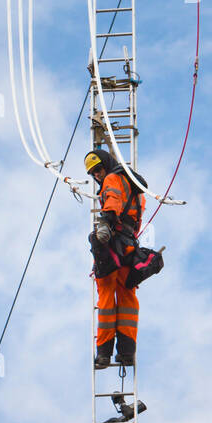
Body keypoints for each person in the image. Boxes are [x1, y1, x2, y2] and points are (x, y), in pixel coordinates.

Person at [85, 148, 145, 369]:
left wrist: (106, 222)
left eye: (98, 169)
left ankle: (104, 354)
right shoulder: (134, 186)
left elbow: (112, 200)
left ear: (107, 164)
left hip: (112, 247)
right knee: (128, 299)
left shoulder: (112, 178)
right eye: (93, 174)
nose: (98, 175)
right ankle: (127, 353)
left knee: (107, 300)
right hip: (129, 248)